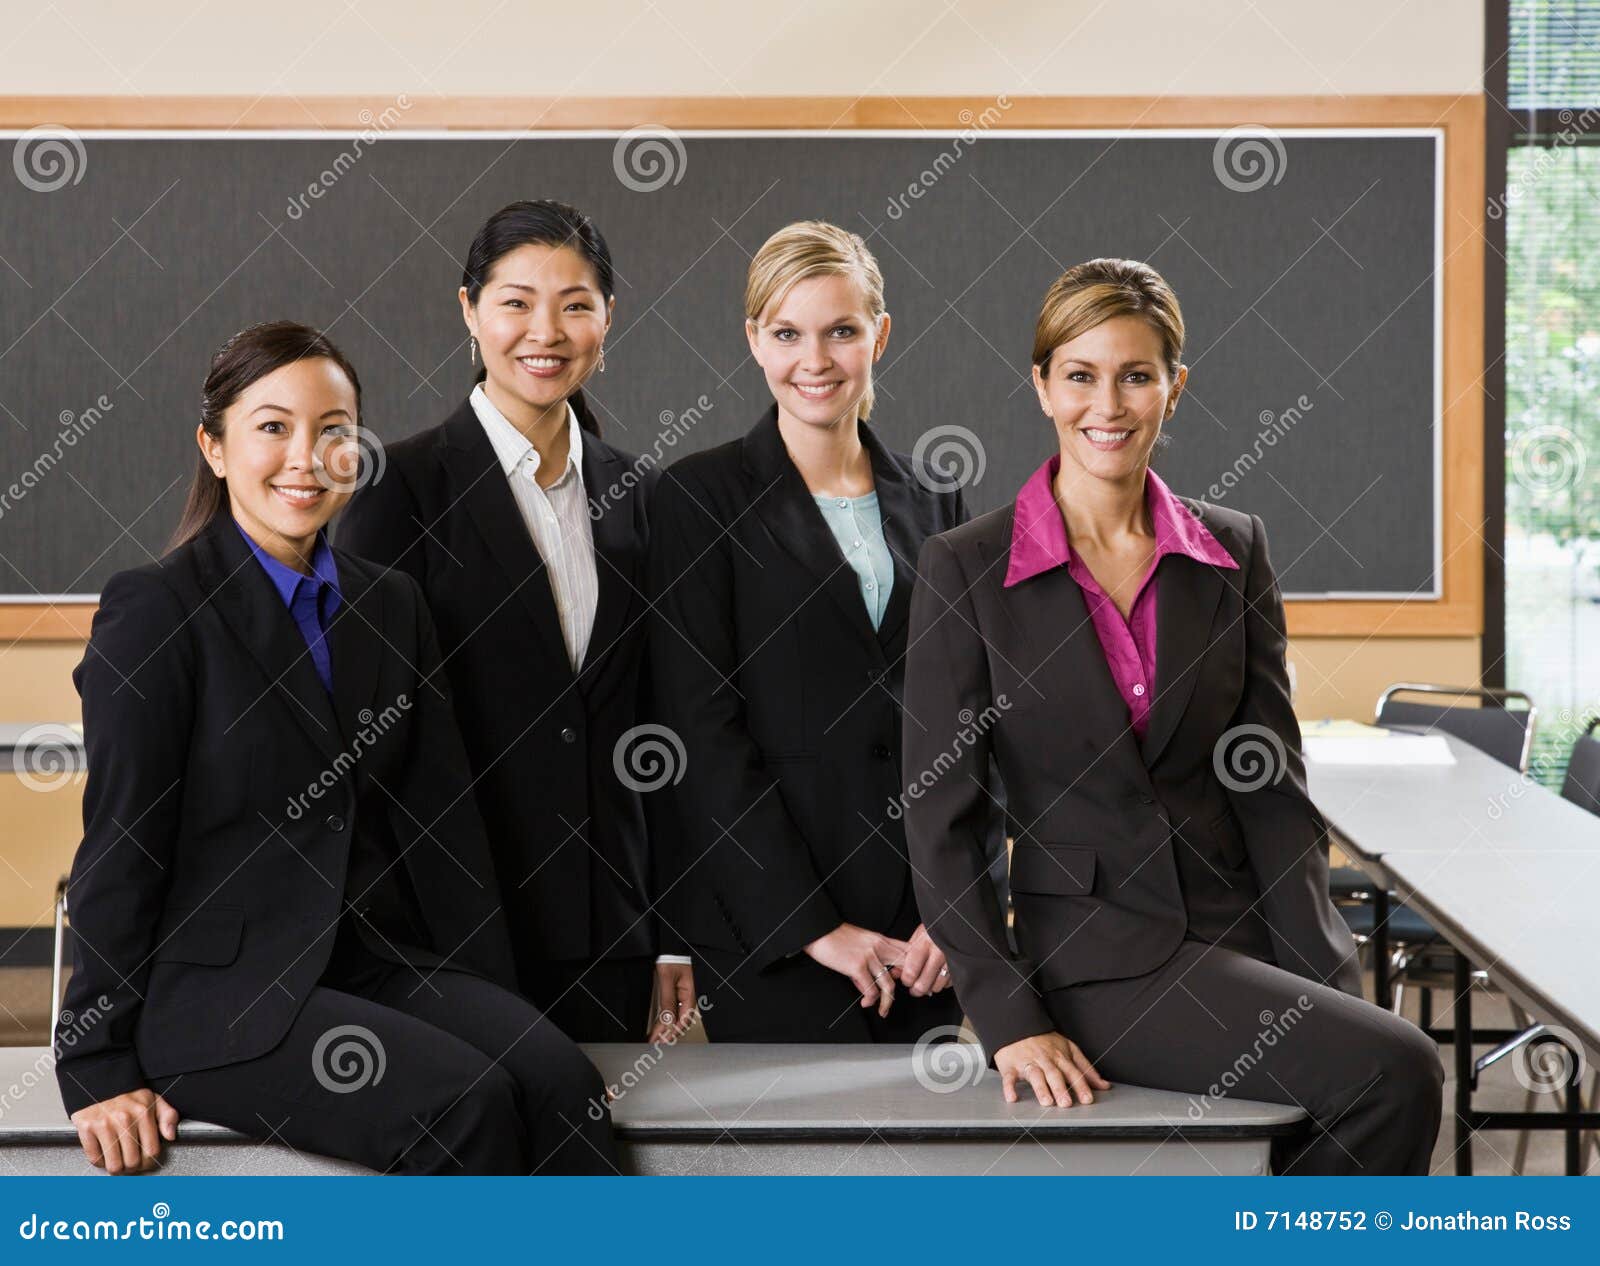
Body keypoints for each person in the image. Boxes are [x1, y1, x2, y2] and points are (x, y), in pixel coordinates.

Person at [901, 258, 1443, 1175]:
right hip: (1098, 956)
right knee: (1402, 1071)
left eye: (1136, 375)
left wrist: (1326, 973)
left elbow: (1270, 787)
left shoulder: (1233, 548)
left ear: (1174, 388)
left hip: (1239, 929)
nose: (1106, 405)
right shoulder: (966, 566)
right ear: (1041, 387)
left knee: (1353, 1071)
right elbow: (940, 820)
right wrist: (1008, 1018)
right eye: (1080, 375)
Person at [55, 321, 617, 1176]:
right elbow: (121, 843)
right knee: (466, 1107)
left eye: (333, 431)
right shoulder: (155, 612)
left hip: (373, 963)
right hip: (225, 1000)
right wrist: (94, 1063)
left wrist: (492, 1005)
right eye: (272, 427)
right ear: (214, 447)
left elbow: (443, 831)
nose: (306, 458)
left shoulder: (390, 605)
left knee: (562, 1085)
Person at [339, 201, 694, 1044]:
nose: (546, 331)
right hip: (454, 928)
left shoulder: (639, 494)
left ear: (609, 317)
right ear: (469, 310)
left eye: (575, 304)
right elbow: (366, 739)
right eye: (515, 301)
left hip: (609, 925)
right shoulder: (400, 491)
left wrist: (675, 933)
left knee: (606, 1160)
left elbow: (668, 721)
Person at [649, 220, 994, 1041]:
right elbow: (699, 730)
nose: (816, 360)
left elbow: (976, 714)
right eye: (787, 333)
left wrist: (954, 906)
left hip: (924, 935)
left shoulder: (937, 501)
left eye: (841, 331)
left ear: (878, 334)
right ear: (754, 343)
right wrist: (810, 926)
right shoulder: (695, 500)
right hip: (775, 927)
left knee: (923, 1162)